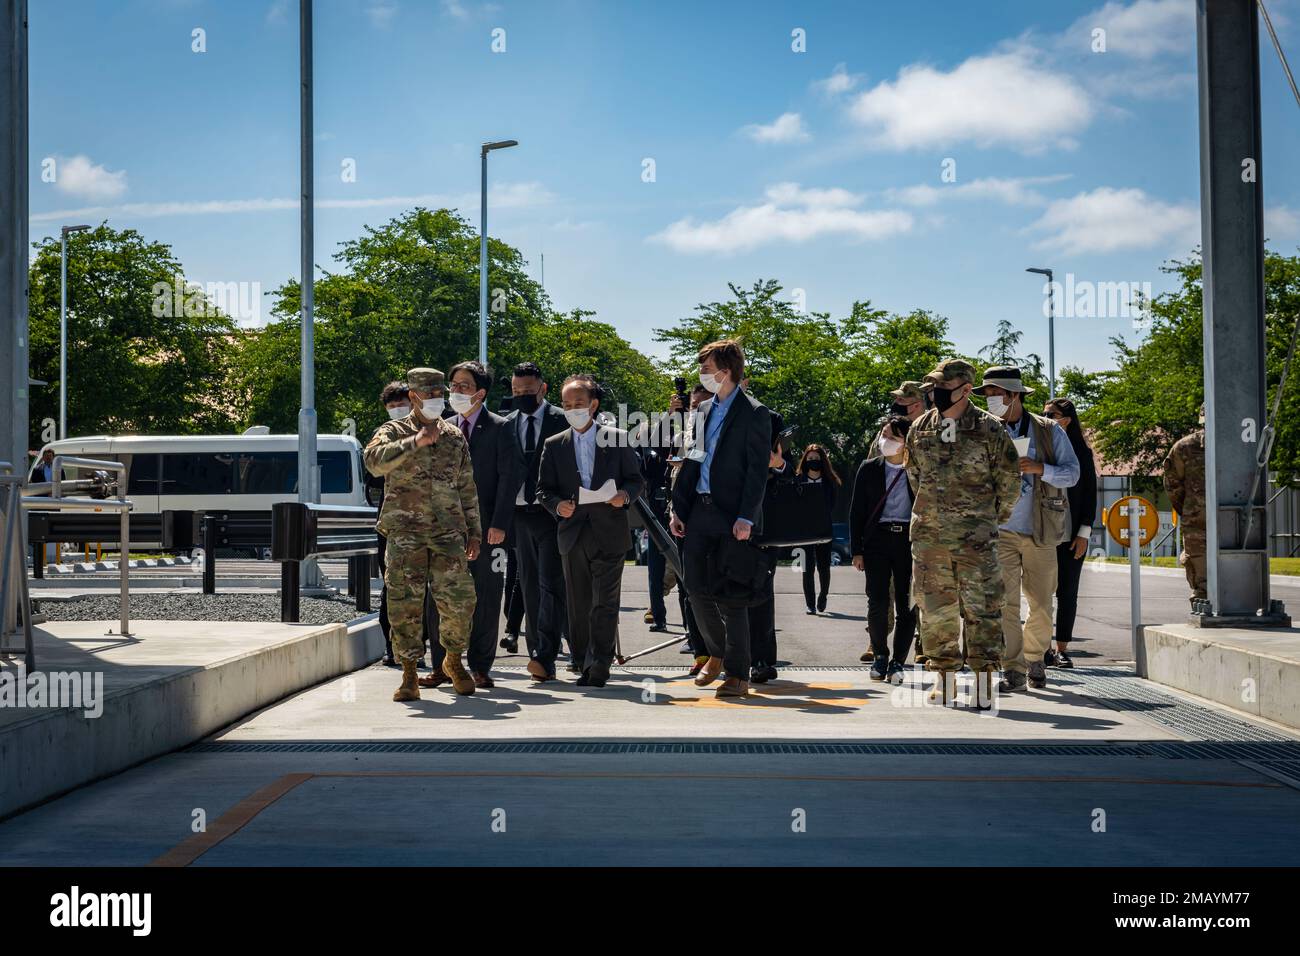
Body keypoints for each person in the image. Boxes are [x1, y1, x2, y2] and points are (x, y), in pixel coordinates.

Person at [906, 359, 1019, 708]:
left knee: (983, 608)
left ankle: (985, 678)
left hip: (977, 540)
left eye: (944, 386)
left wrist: (984, 521)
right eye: (935, 387)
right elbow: (914, 476)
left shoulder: (990, 429)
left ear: (966, 389)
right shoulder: (921, 428)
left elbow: (1009, 483)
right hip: (930, 539)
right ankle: (944, 678)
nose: (937, 393)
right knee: (936, 610)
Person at [364, 368, 481, 701]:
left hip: (447, 532)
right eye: (428, 395)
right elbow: (373, 463)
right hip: (405, 534)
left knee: (460, 602)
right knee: (404, 604)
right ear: (413, 397)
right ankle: (409, 673)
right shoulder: (392, 431)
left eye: (439, 395)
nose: (436, 401)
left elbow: (466, 486)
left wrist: (474, 531)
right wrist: (414, 442)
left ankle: (454, 660)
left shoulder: (454, 436)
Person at [670, 339, 772, 699]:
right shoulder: (702, 412)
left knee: (732, 596)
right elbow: (691, 462)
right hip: (699, 510)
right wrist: (677, 509)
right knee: (695, 587)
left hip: (733, 517)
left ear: (725, 372)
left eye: (706, 369)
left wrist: (747, 516)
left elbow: (758, 471)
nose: (701, 375)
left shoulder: (755, 413)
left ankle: (737, 674)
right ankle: (716, 652)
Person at [974, 366, 1080, 693]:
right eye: (987, 396)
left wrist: (1040, 468)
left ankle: (1036, 656)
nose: (990, 401)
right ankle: (1014, 668)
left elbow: (1072, 474)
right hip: (999, 529)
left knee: (1042, 603)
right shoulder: (983, 431)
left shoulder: (1048, 431)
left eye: (996, 395)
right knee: (1006, 603)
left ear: (1014, 395)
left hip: (1040, 530)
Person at [538, 375, 644, 687]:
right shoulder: (554, 445)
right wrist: (558, 506)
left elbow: (636, 480)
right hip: (573, 533)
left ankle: (600, 664)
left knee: (605, 602)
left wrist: (624, 496)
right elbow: (543, 489)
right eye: (567, 405)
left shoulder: (618, 438)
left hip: (609, 530)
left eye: (579, 404)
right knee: (579, 602)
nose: (573, 410)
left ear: (593, 405)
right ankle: (582, 658)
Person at [426, 359, 524, 689]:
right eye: (453, 385)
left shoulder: (501, 427)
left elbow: (511, 479)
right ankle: (441, 665)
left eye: (463, 386)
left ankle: (480, 666)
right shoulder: (440, 428)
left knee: (486, 595)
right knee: (440, 595)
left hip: (488, 530)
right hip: (444, 530)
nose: (456, 391)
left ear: (480, 393)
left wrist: (499, 524)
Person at [506, 362, 570, 682]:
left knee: (551, 584)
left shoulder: (562, 420)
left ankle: (545, 655)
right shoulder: (507, 423)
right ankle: (537, 652)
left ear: (542, 389)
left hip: (553, 514)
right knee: (529, 587)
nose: (522, 397)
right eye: (517, 392)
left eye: (528, 392)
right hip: (519, 516)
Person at [367, 380, 435, 669]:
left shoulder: (431, 433)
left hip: (426, 521)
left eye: (401, 405)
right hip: (393, 522)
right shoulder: (384, 436)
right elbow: (371, 476)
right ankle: (392, 647)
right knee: (392, 586)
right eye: (391, 406)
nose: (397, 410)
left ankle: (418, 646)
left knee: (424, 587)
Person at [849, 415, 916, 684]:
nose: (885, 440)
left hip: (908, 542)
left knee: (906, 605)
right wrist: (857, 549)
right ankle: (880, 654)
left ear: (906, 443)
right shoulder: (869, 468)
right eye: (884, 434)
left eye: (892, 437)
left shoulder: (917, 469)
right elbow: (856, 512)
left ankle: (899, 661)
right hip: (877, 541)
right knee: (877, 601)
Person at [1044, 397, 1097, 669]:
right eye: (1044, 413)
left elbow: (1090, 496)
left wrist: (1083, 533)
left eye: (1052, 414)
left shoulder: (1081, 451)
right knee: (1039, 594)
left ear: (1066, 420)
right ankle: (1041, 648)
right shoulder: (1042, 449)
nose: (1047, 418)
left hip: (1071, 533)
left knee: (1067, 593)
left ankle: (1061, 649)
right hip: (1042, 531)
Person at [1163, 407, 1207, 610]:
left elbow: (1172, 485)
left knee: (1199, 566)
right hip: (1233, 517)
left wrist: (1190, 507)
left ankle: (1202, 600)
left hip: (1197, 519)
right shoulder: (1242, 444)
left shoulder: (1183, 447)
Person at [795, 443, 839, 615]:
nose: (813, 461)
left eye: (817, 458)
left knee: (823, 567)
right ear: (805, 459)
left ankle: (823, 596)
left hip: (824, 530)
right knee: (807, 568)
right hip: (804, 532)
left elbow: (832, 504)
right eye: (810, 458)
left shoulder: (830, 482)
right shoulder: (798, 479)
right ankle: (810, 604)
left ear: (823, 460)